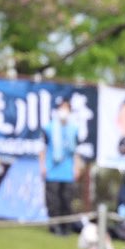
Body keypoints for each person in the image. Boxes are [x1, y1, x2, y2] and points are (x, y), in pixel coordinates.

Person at [39, 97, 80, 235]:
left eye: (67, 108)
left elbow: (76, 151)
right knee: (53, 199)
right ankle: (54, 226)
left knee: (67, 199)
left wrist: (76, 167)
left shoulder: (74, 129)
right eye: (62, 108)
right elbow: (42, 148)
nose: (64, 111)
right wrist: (43, 166)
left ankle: (66, 226)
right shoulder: (49, 128)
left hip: (67, 170)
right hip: (52, 169)